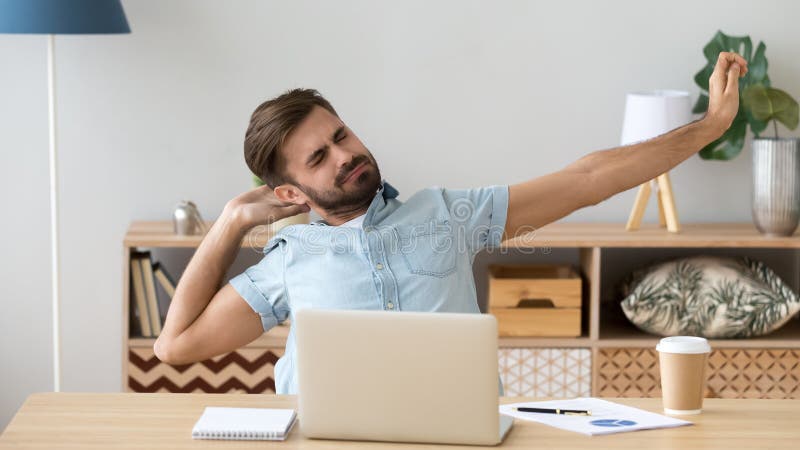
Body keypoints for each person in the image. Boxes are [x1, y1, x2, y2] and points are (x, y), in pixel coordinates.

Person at [154, 52, 748, 394]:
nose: (345, 156)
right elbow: (174, 347)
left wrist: (710, 128)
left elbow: (588, 179)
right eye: (319, 158)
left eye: (341, 135)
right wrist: (230, 222)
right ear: (287, 190)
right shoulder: (288, 259)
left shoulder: (448, 215)